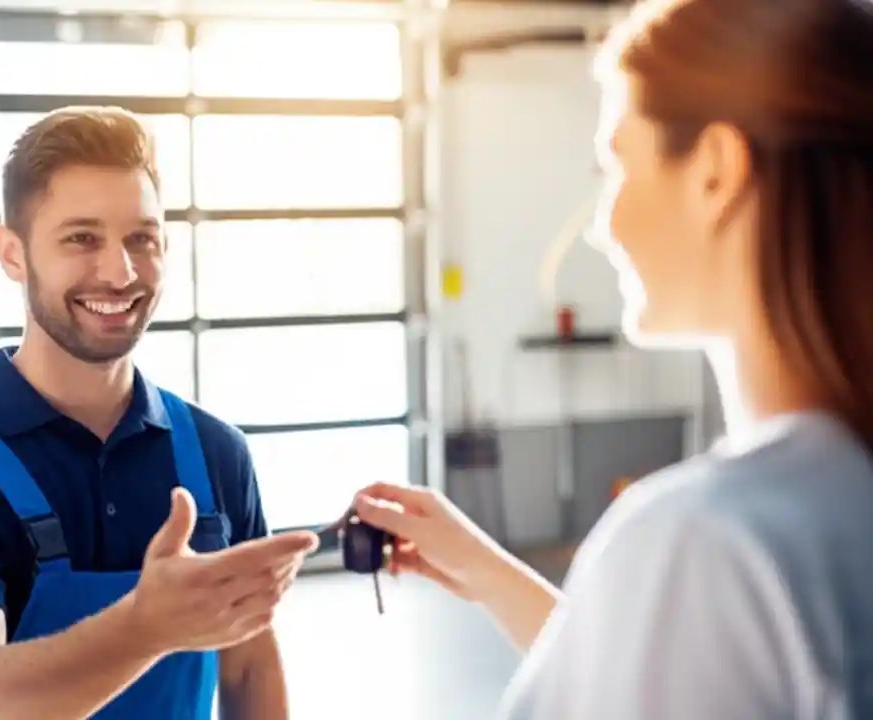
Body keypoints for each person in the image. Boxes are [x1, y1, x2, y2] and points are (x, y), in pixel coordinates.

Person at [353, 0, 873, 717]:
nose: (601, 227)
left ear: (716, 174)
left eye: (615, 165)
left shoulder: (703, 538)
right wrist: (487, 570)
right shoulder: (827, 499)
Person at [0, 106, 318, 720]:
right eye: (82, 238)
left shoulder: (215, 453)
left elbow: (250, 669)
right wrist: (146, 626)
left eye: (141, 239)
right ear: (13, 254)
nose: (120, 272)